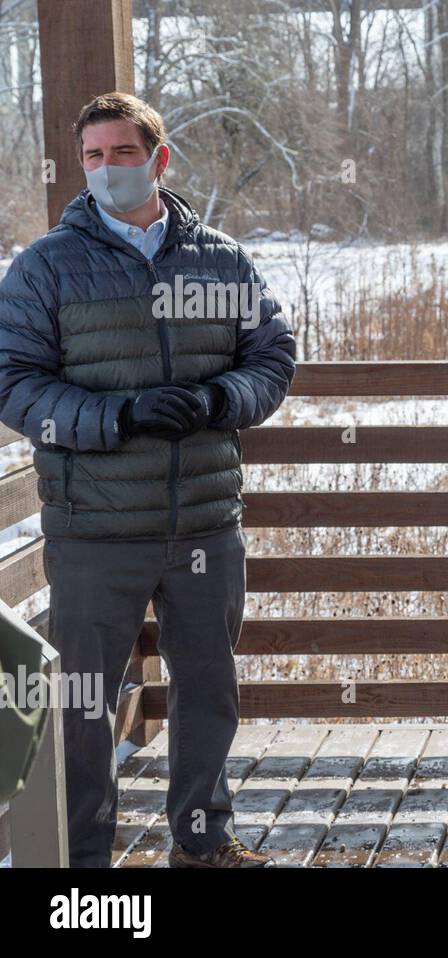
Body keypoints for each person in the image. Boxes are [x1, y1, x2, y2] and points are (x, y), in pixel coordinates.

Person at [0, 92, 296, 867]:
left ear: (159, 159)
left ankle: (202, 839)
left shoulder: (221, 261)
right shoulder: (45, 268)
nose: (106, 170)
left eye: (121, 154)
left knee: (208, 691)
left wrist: (217, 398)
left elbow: (273, 355)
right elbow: (13, 384)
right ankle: (82, 862)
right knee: (83, 705)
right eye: (92, 157)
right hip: (95, 529)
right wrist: (120, 415)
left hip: (203, 520)